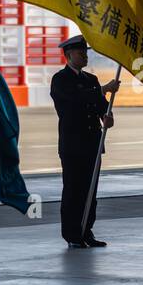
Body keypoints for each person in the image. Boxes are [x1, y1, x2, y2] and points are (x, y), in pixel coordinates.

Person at [50, 35, 119, 248]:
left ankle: (86, 230)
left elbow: (100, 106)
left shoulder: (91, 79)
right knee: (73, 189)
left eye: (86, 52)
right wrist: (103, 89)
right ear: (69, 55)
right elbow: (74, 99)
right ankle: (73, 234)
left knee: (90, 190)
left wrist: (107, 118)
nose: (85, 56)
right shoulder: (60, 79)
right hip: (73, 144)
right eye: (81, 53)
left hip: (92, 143)